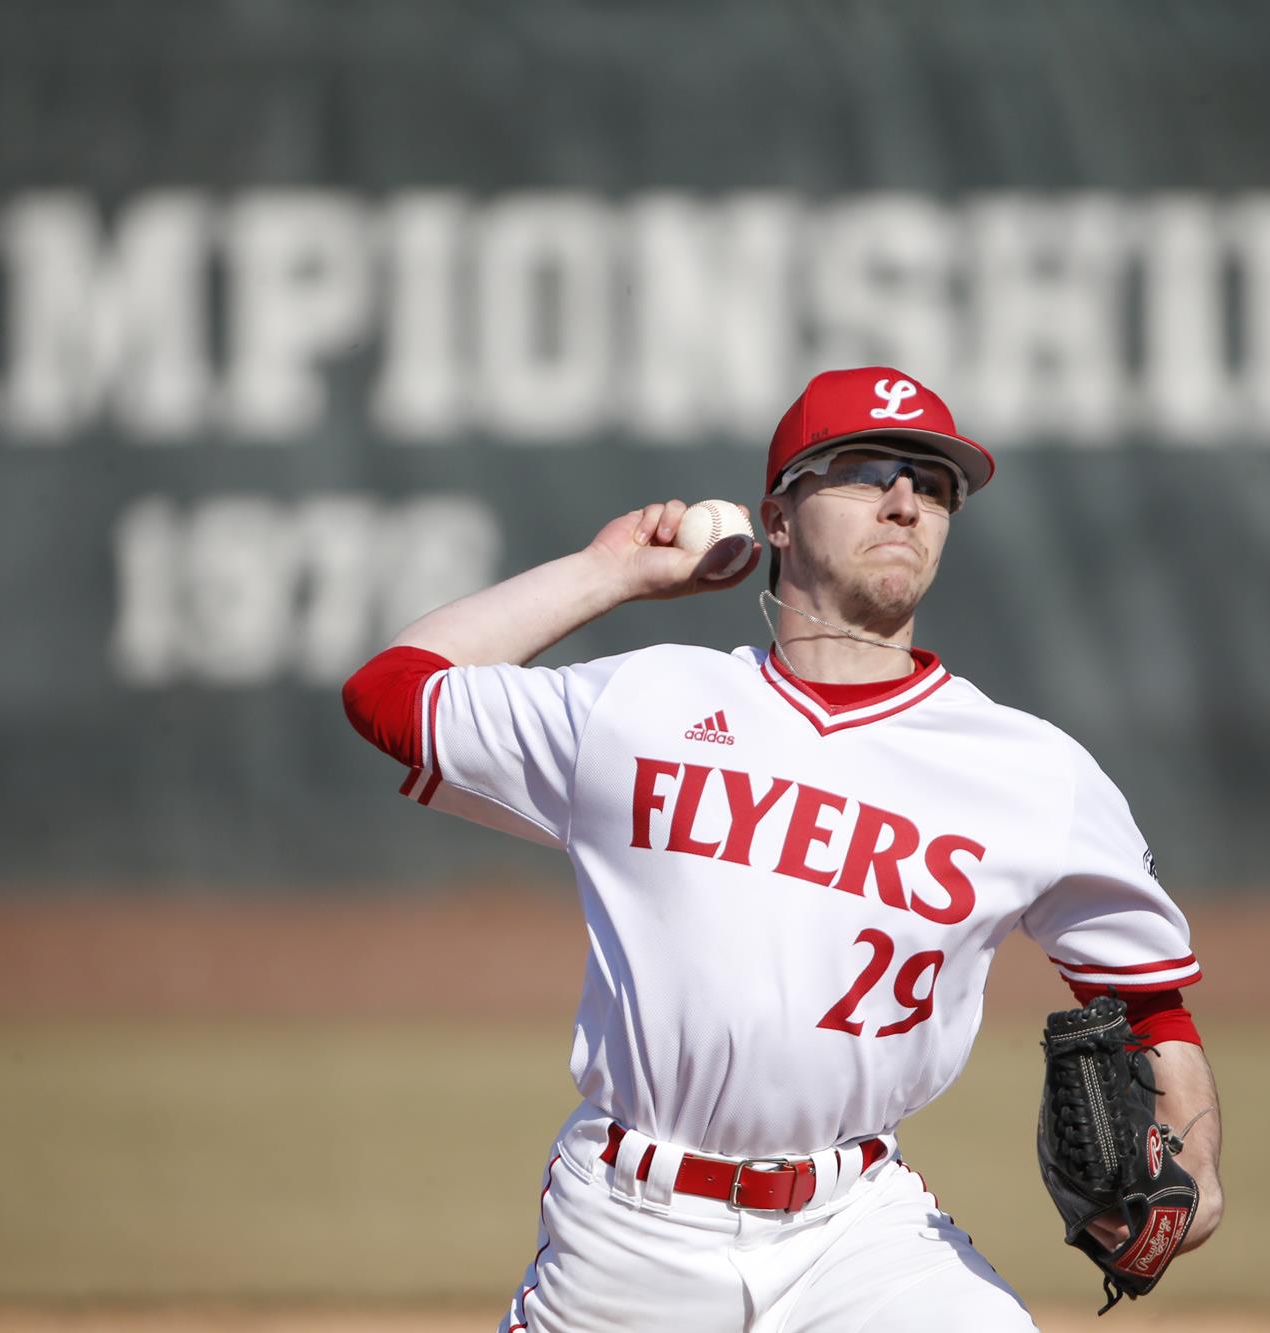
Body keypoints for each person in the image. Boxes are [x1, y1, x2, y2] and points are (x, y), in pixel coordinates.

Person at [342, 366, 1224, 1331]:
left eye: (934, 485)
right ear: (777, 517)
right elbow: (391, 692)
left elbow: (1146, 998)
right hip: (631, 1228)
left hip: (864, 1231)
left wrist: (1196, 1161)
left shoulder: (1032, 770)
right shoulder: (642, 707)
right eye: (865, 470)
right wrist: (612, 573)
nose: (905, 500)